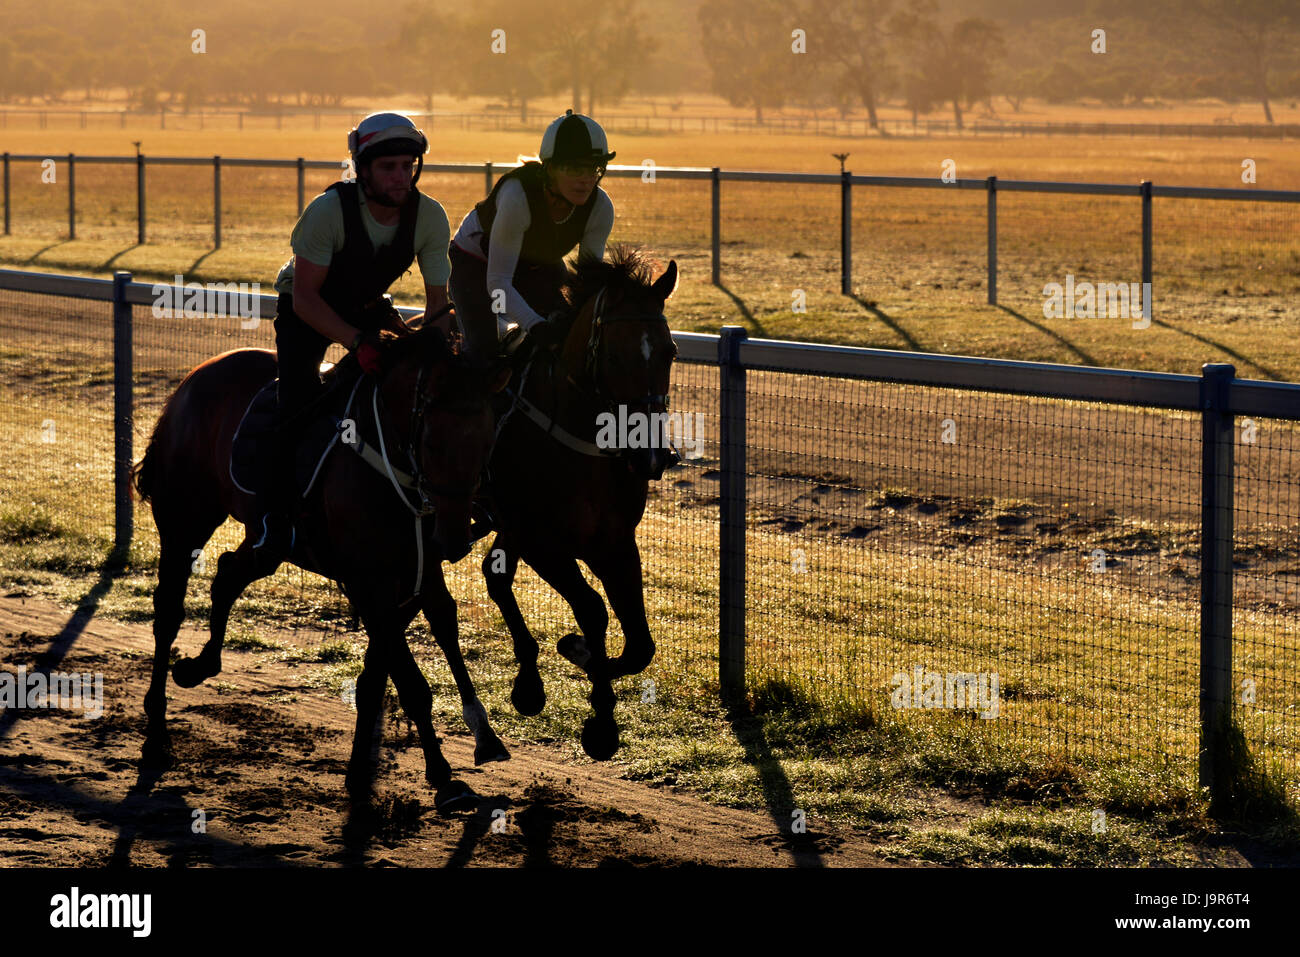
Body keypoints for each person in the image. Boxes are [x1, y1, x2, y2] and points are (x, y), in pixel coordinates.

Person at [252, 111, 454, 573]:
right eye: (388, 168)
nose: (400, 176)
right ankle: (273, 520)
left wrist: (435, 356)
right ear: (362, 169)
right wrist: (357, 341)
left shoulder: (431, 216)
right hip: (307, 310)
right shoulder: (327, 212)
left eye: (407, 166)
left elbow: (439, 308)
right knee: (298, 405)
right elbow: (305, 299)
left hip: (367, 306)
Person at [448, 109, 616, 362]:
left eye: (594, 168)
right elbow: (498, 284)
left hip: (536, 264)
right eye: (574, 168)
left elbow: (587, 282)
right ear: (549, 168)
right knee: (485, 354)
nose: (586, 180)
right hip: (476, 265)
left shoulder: (601, 207)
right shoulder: (517, 198)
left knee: (568, 330)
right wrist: (536, 326)